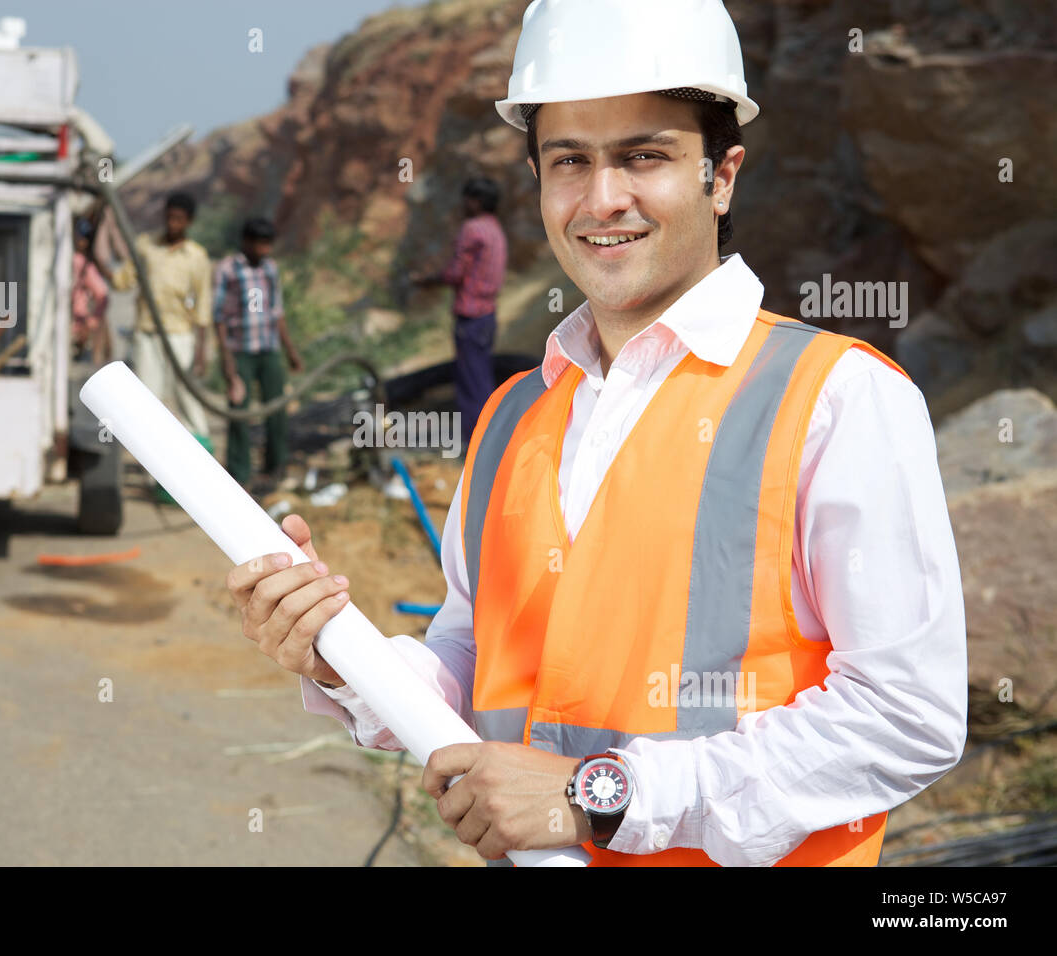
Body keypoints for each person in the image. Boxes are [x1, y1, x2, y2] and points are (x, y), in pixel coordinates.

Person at [223, 0, 967, 866]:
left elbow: (906, 717)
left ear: (721, 176)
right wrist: (338, 658)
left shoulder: (837, 399)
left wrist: (598, 797)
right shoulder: (510, 418)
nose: (602, 198)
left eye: (643, 156)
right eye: (569, 160)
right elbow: (469, 657)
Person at [111, 192, 215, 462]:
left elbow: (203, 303)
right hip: (148, 335)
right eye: (170, 217)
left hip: (181, 336)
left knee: (187, 397)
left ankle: (198, 455)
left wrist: (202, 349)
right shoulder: (146, 246)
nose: (173, 224)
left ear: (189, 222)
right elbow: (123, 281)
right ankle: (154, 464)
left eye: (179, 219)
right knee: (149, 400)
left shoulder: (196, 257)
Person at [411, 177, 508, 444]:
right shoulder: (495, 229)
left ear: (475, 201)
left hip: (471, 315)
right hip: (488, 314)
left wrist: (427, 280)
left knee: (470, 382)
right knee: (482, 378)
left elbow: (456, 272)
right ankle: (490, 436)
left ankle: (476, 442)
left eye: (467, 199)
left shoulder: (472, 229)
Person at [213, 217, 303, 494]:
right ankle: (239, 475)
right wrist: (227, 363)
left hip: (268, 349)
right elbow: (218, 317)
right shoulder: (227, 270)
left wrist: (290, 352)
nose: (264, 251)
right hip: (240, 351)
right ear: (246, 242)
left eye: (268, 245)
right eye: (260, 244)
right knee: (239, 411)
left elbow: (277, 313)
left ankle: (275, 467)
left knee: (276, 408)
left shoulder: (270, 270)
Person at [70, 218, 110, 366]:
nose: (81, 242)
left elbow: (102, 294)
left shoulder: (81, 263)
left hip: (76, 330)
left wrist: (91, 322)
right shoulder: (73, 260)